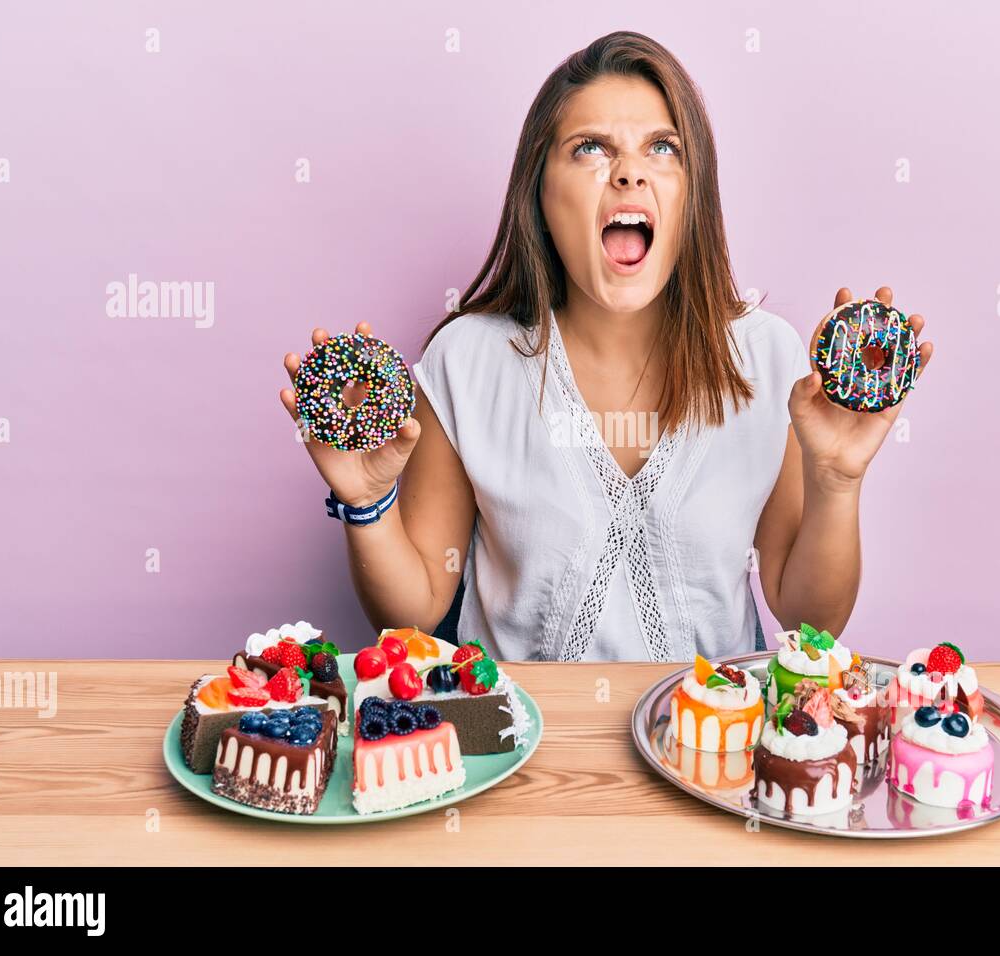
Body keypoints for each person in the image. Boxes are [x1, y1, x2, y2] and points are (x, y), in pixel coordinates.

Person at [279, 31, 932, 662]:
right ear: (539, 189)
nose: (629, 173)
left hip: (713, 747)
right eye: (590, 149)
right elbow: (414, 614)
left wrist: (836, 480)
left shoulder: (767, 358)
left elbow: (807, 621)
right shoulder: (466, 363)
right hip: (521, 749)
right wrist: (367, 506)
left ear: (691, 192)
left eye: (662, 148)